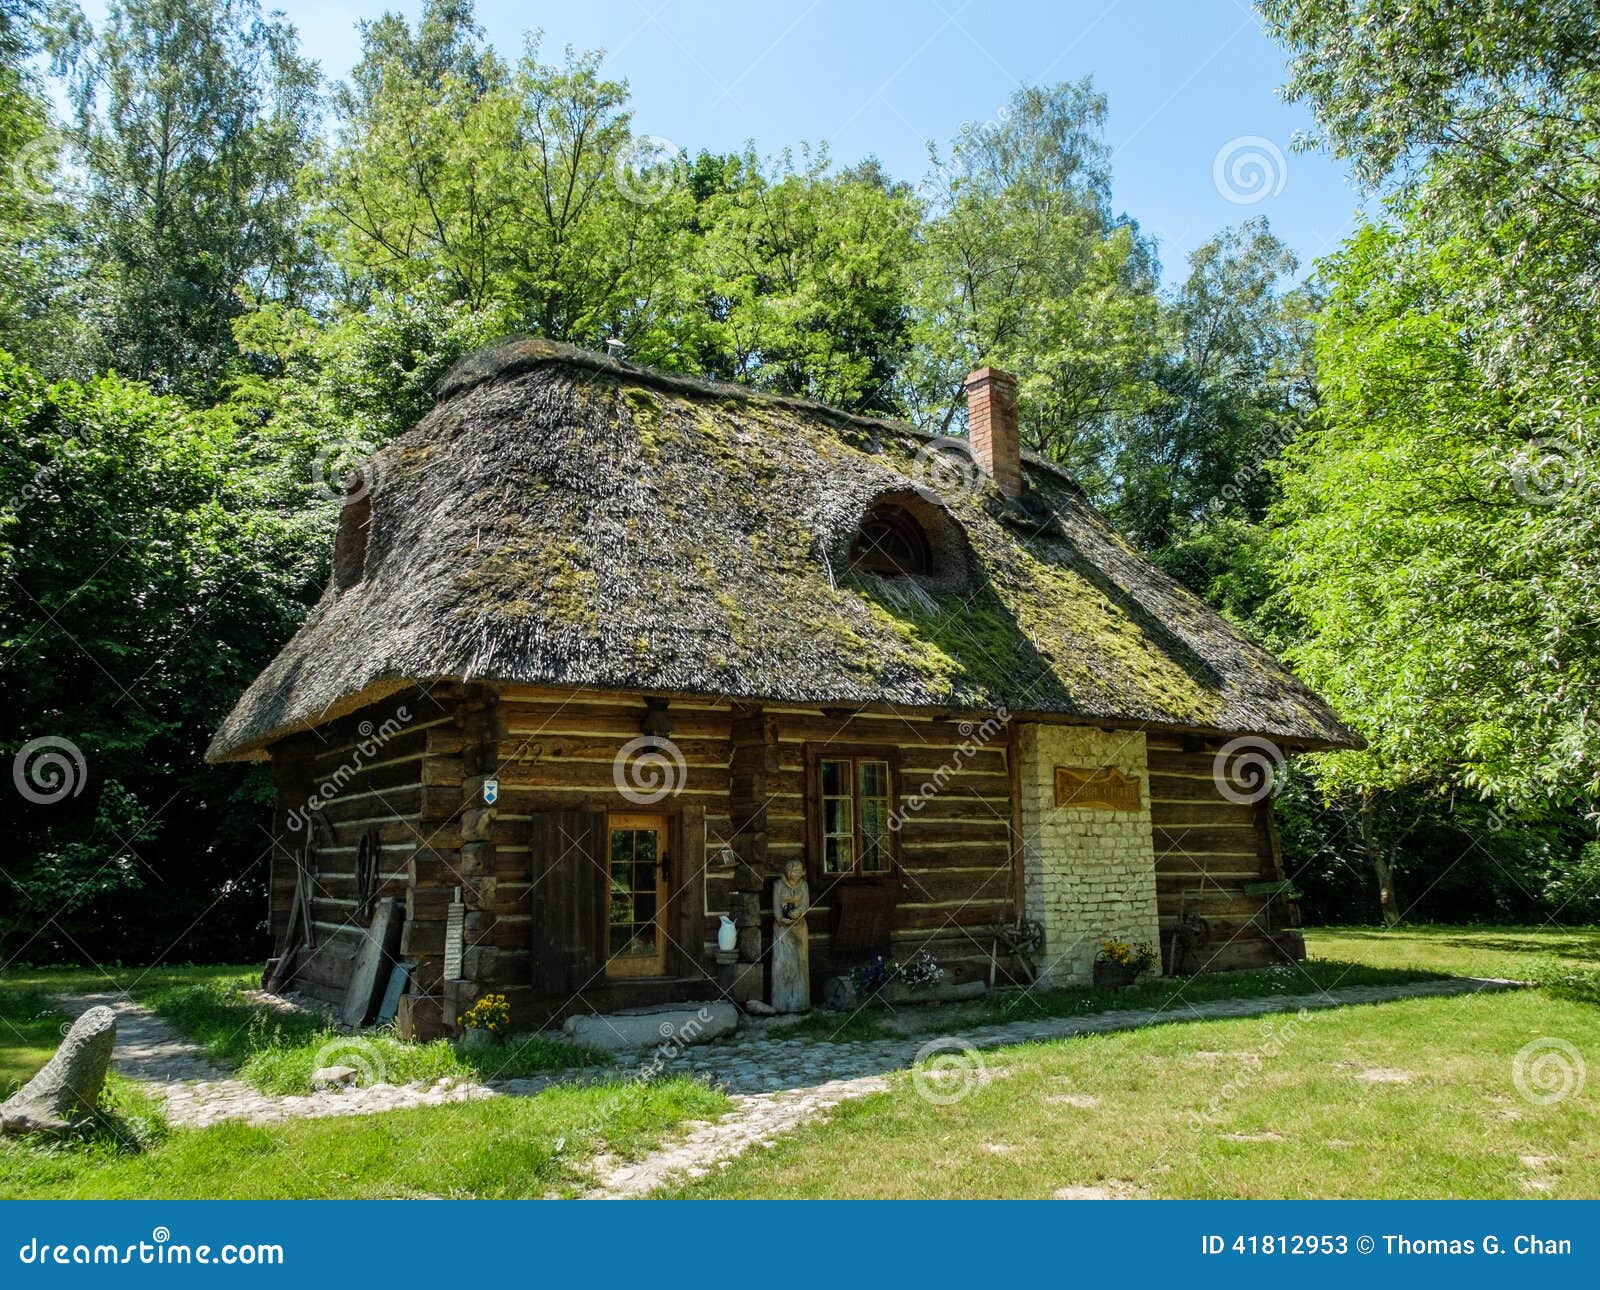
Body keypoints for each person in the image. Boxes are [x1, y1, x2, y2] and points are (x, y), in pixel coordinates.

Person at [770, 858, 811, 1012]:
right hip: (782, 929)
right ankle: (781, 1002)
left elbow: (805, 904)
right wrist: (782, 919)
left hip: (799, 927)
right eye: (794, 871)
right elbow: (775, 905)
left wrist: (798, 913)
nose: (797, 874)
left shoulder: (804, 885)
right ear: (787, 871)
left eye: (800, 871)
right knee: (783, 963)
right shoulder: (778, 885)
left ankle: (800, 1002)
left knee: (800, 962)